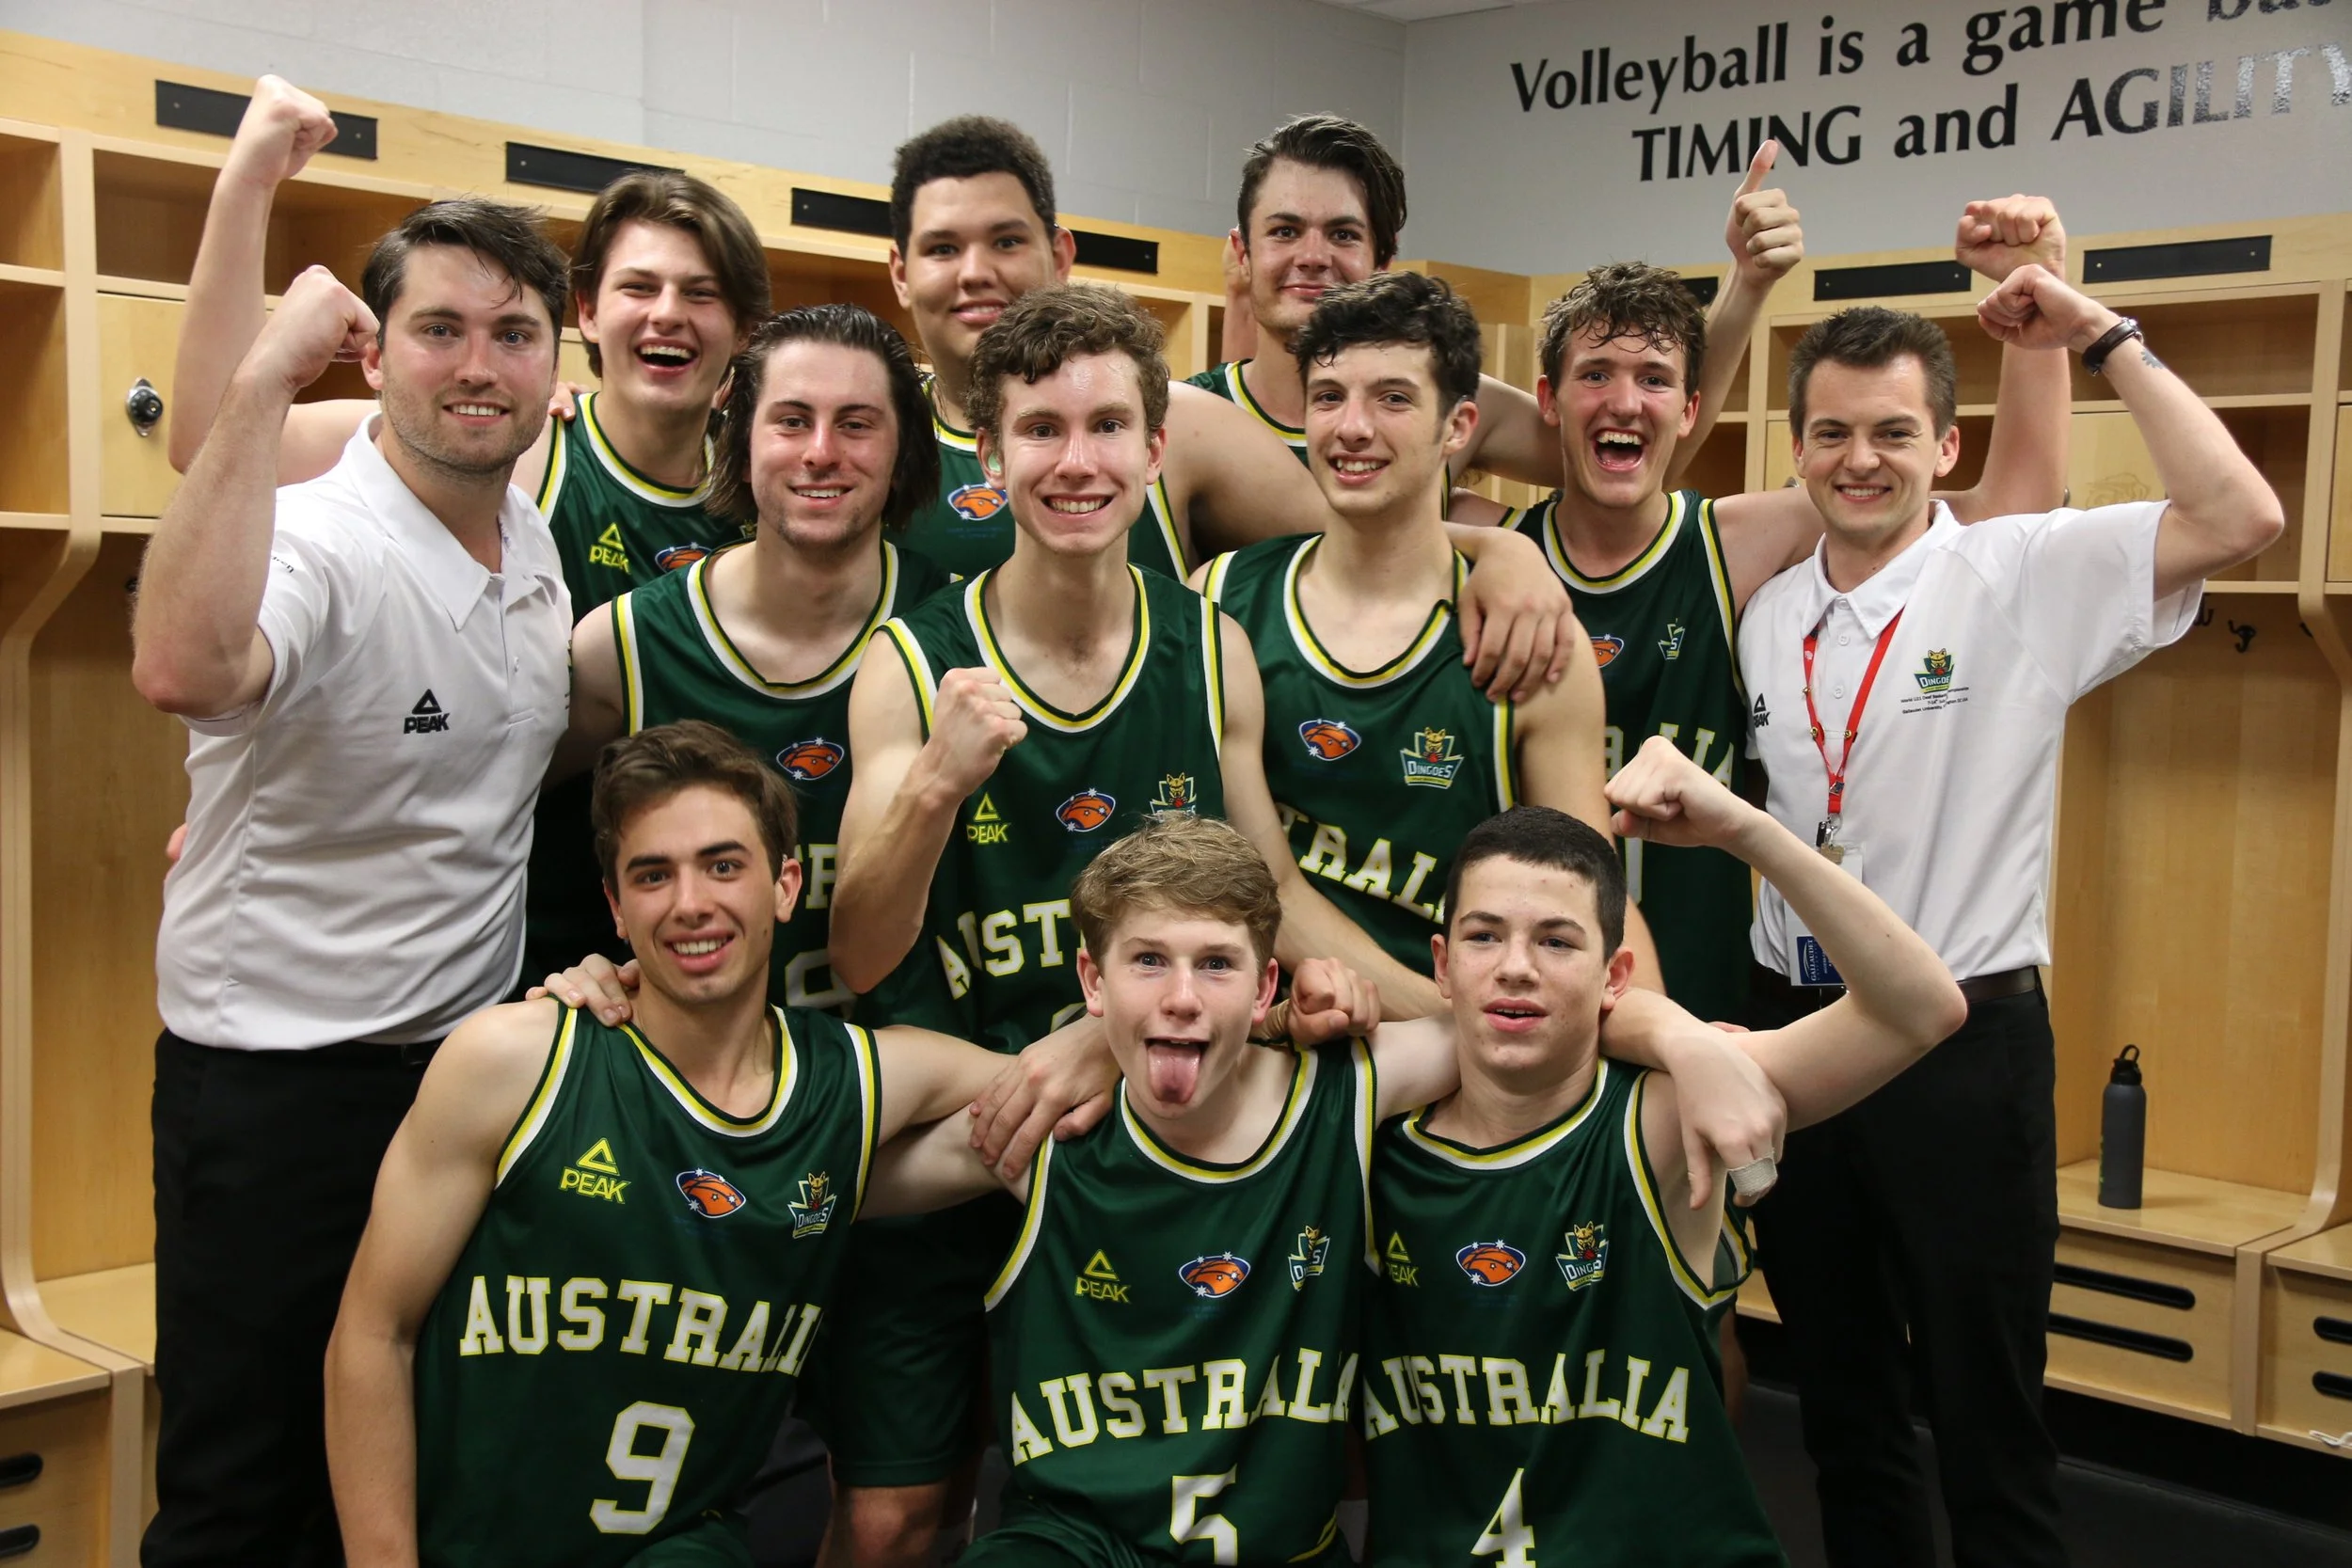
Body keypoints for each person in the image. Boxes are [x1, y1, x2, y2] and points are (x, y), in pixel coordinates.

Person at [816, 281, 1447, 1563]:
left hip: (1142, 1133)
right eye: (1041, 428)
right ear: (990, 454)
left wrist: (1480, 1007)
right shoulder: (909, 658)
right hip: (969, 1127)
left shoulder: (1208, 646)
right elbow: (861, 949)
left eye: (1109, 426)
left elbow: (1272, 892)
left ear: (1158, 451)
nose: (1077, 460)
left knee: (1160, 1492)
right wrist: (940, 779)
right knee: (892, 1518)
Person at [1739, 265, 2287, 1567]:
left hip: (1964, 1044)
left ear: (1948, 444)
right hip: (1794, 1030)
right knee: (1838, 1395)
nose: (1858, 460)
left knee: (1990, 1408)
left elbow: (2243, 513)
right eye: (1830, 431)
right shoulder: (1764, 606)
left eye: (1890, 431)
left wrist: (2103, 336)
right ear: (1798, 446)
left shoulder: (2021, 569)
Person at [855, 810, 1787, 1565]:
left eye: (1215, 964)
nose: (1181, 993)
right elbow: (844, 1175)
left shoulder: (1347, 1089)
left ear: (1265, 985)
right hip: (1074, 1542)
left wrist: (1679, 1034)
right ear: (1093, 979)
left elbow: (1532, 1019)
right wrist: (1072, 1044)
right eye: (1148, 962)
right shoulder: (1047, 1121)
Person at [324, 721, 1120, 1568]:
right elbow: (373, 1335)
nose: (691, 902)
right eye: (653, 875)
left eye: (723, 865)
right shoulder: (515, 1060)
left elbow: (1046, 1092)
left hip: (681, 1544)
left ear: (784, 885)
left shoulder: (851, 1084)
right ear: (616, 910)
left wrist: (1104, 1037)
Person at [130, 202, 572, 1565]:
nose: (479, 365)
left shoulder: (529, 533)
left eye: (515, 333)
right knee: (241, 1493)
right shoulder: (323, 538)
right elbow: (183, 670)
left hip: (451, 1087)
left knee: (393, 1482)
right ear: (374, 356)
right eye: (438, 329)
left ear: (561, 366)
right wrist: (265, 375)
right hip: (279, 1093)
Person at [166, 73, 774, 981]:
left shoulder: (773, 492)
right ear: (587, 312)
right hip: (514, 929)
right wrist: (247, 186)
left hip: (691, 922)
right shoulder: (510, 455)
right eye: (639, 285)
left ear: (741, 328)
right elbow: (206, 437)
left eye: (701, 293)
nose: (667, 314)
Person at [1452, 197, 2070, 1025]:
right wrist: (1499, 549)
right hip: (1517, 999)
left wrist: (2040, 293)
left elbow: (2009, 515)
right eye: (1595, 374)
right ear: (1549, 401)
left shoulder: (1735, 541)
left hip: (1708, 1002)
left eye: (1655, 380)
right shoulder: (1479, 545)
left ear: (1691, 409)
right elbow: (1345, 484)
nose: (1625, 401)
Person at [1359, 744, 1965, 1566]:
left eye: (1557, 942)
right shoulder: (1369, 1140)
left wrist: (1747, 831)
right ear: (1442, 964)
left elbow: (1919, 1010)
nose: (1515, 967)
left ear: (1616, 976)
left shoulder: (1662, 1123)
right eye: (1483, 935)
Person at [882, 115, 1575, 704]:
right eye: (944, 247)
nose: (976, 271)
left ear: (1060, 254)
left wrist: (1503, 547)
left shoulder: (1185, 422)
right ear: (901, 273)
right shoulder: (868, 435)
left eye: (1006, 241)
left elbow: (1365, 540)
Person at [1197, 269, 1663, 989]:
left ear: (1459, 427)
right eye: (1329, 398)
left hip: (1469, 1072)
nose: (1352, 427)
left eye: (1393, 399)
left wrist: (1666, 1038)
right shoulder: (1220, 601)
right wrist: (1442, 1025)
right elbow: (1250, 883)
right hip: (1267, 1045)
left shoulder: (1540, 646)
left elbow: (1590, 895)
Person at [555, 305, 954, 1016]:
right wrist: (576, 961)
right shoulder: (622, 644)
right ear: (740, 441)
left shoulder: (959, 626)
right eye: (791, 420)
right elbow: (512, 839)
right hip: (695, 1082)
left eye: (857, 424)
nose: (821, 451)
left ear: (904, 454)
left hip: (906, 1079)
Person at [1191, 115, 1801, 491]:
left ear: (1385, 260)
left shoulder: (1454, 404)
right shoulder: (1187, 418)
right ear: (1243, 254)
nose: (1313, 256)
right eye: (1285, 230)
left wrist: (1746, 284)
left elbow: (1647, 463)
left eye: (1344, 234)